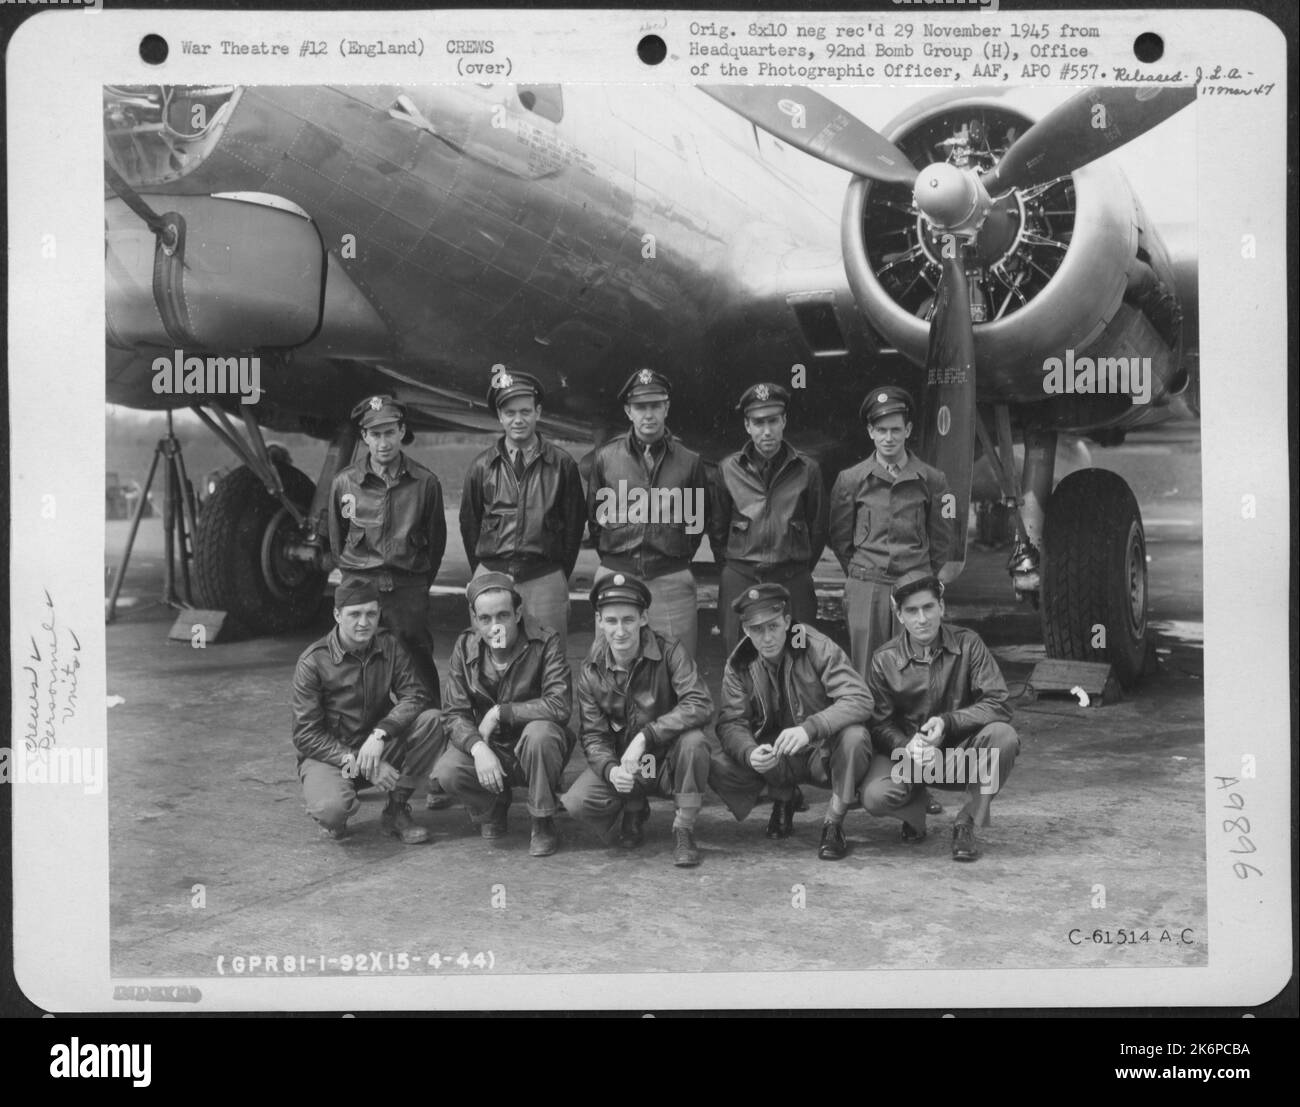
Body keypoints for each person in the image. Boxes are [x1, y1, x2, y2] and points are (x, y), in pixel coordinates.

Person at [861, 572, 1021, 861]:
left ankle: (966, 821)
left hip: (958, 753)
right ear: (899, 615)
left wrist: (948, 722)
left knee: (1004, 737)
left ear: (942, 608)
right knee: (874, 796)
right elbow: (877, 723)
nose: (922, 619)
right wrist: (906, 746)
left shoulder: (969, 644)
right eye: (911, 610)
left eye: (928, 607)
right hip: (910, 757)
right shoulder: (883, 659)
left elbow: (999, 701)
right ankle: (914, 811)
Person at [709, 583, 872, 860]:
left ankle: (834, 822)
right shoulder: (740, 662)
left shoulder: (815, 646)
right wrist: (750, 753)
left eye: (773, 626)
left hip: (822, 751)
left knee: (855, 737)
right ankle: (783, 797)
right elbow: (731, 722)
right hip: (776, 756)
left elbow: (860, 698)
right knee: (713, 761)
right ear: (746, 630)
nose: (767, 637)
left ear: (787, 621)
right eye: (757, 630)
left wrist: (811, 729)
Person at [561, 573, 713, 867]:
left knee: (694, 742)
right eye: (612, 621)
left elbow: (701, 702)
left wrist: (646, 736)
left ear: (643, 618)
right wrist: (610, 770)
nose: (620, 631)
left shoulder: (670, 651)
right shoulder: (591, 669)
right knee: (577, 802)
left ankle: (684, 828)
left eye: (628, 620)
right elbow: (593, 736)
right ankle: (633, 807)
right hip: (625, 765)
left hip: (667, 760)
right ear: (599, 621)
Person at [430, 572, 575, 857]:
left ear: (519, 613)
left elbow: (559, 704)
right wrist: (478, 747)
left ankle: (542, 821)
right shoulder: (465, 646)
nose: (495, 626)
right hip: (491, 747)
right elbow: (454, 714)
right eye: (485, 619)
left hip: (532, 748)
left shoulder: (545, 642)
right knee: (448, 770)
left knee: (541, 734)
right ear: (474, 619)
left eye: (503, 615)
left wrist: (501, 712)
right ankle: (494, 804)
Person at [291, 577, 445, 844]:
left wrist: (380, 734)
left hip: (379, 750)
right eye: (354, 614)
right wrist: (359, 762)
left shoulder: (388, 644)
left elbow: (415, 694)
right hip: (336, 760)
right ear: (337, 614)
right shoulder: (313, 661)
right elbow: (306, 735)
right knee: (332, 810)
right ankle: (337, 813)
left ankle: (396, 810)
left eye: (371, 613)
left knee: (434, 721)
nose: (364, 622)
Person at [459, 367, 586, 657]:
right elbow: (470, 523)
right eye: (511, 412)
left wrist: (554, 573)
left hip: (544, 578)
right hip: (493, 575)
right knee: (495, 657)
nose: (518, 419)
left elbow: (574, 525)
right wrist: (485, 572)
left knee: (550, 658)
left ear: (538, 412)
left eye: (526, 411)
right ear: (500, 416)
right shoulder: (481, 466)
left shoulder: (562, 465)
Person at [829, 386, 954, 679]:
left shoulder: (933, 480)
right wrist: (864, 572)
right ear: (870, 431)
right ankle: (864, 724)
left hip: (914, 584)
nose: (889, 438)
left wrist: (920, 575)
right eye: (881, 430)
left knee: (916, 666)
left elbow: (942, 538)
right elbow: (840, 538)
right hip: (867, 585)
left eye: (896, 430)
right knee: (865, 666)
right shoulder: (851, 480)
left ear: (908, 429)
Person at [328, 394, 446, 702]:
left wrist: (416, 585)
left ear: (402, 432)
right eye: (376, 434)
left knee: (417, 668)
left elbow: (436, 543)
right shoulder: (344, 483)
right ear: (364, 436)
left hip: (406, 591)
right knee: (357, 668)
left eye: (390, 432)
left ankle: (429, 729)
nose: (384, 442)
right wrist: (356, 580)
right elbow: (337, 540)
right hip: (360, 586)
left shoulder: (425, 483)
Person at [586, 368, 711, 658]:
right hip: (617, 573)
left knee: (677, 665)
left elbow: (696, 524)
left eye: (655, 405)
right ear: (629, 411)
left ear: (666, 408)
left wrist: (670, 554)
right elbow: (596, 521)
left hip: (669, 578)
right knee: (612, 666)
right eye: (641, 407)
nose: (649, 414)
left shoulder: (689, 462)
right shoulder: (606, 458)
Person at [711, 382, 828, 655]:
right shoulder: (728, 469)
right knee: (738, 657)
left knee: (800, 656)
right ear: (747, 425)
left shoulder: (807, 470)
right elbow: (717, 529)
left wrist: (795, 566)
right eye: (758, 422)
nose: (767, 430)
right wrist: (739, 564)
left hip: (792, 579)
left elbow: (818, 529)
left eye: (773, 420)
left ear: (784, 420)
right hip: (741, 577)